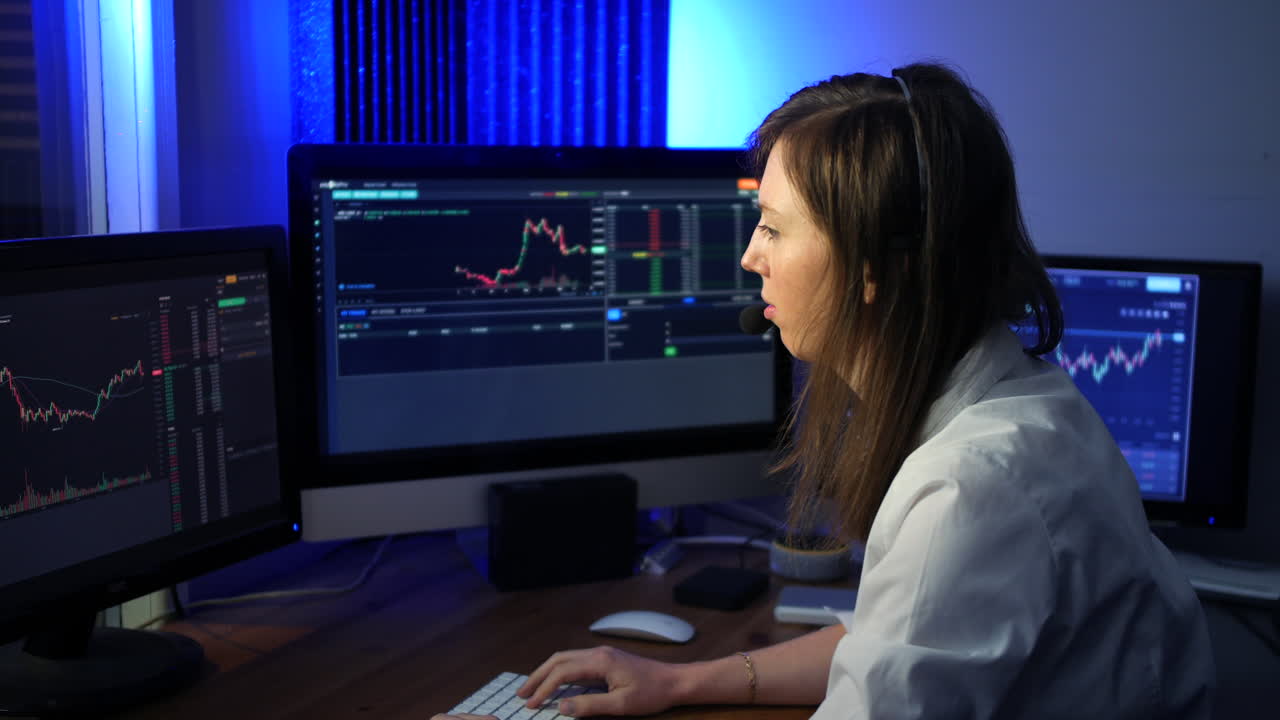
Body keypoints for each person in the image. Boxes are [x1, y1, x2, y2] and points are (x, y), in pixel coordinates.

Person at [433, 62, 1214, 719]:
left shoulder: (973, 490)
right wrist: (682, 681)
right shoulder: (1016, 402)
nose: (749, 256)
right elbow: (892, 637)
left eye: (773, 227)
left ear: (877, 268)